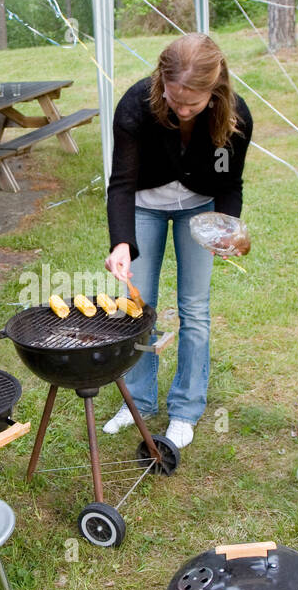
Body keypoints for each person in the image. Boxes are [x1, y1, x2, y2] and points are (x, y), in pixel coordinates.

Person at [102, 33, 253, 450]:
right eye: (174, 100)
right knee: (138, 305)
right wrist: (121, 243)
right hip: (145, 205)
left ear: (214, 90)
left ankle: (186, 409)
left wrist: (225, 226)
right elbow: (122, 182)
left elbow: (229, 181)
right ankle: (139, 402)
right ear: (161, 83)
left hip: (201, 209)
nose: (182, 109)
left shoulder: (235, 115)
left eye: (193, 104)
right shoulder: (136, 105)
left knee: (195, 308)